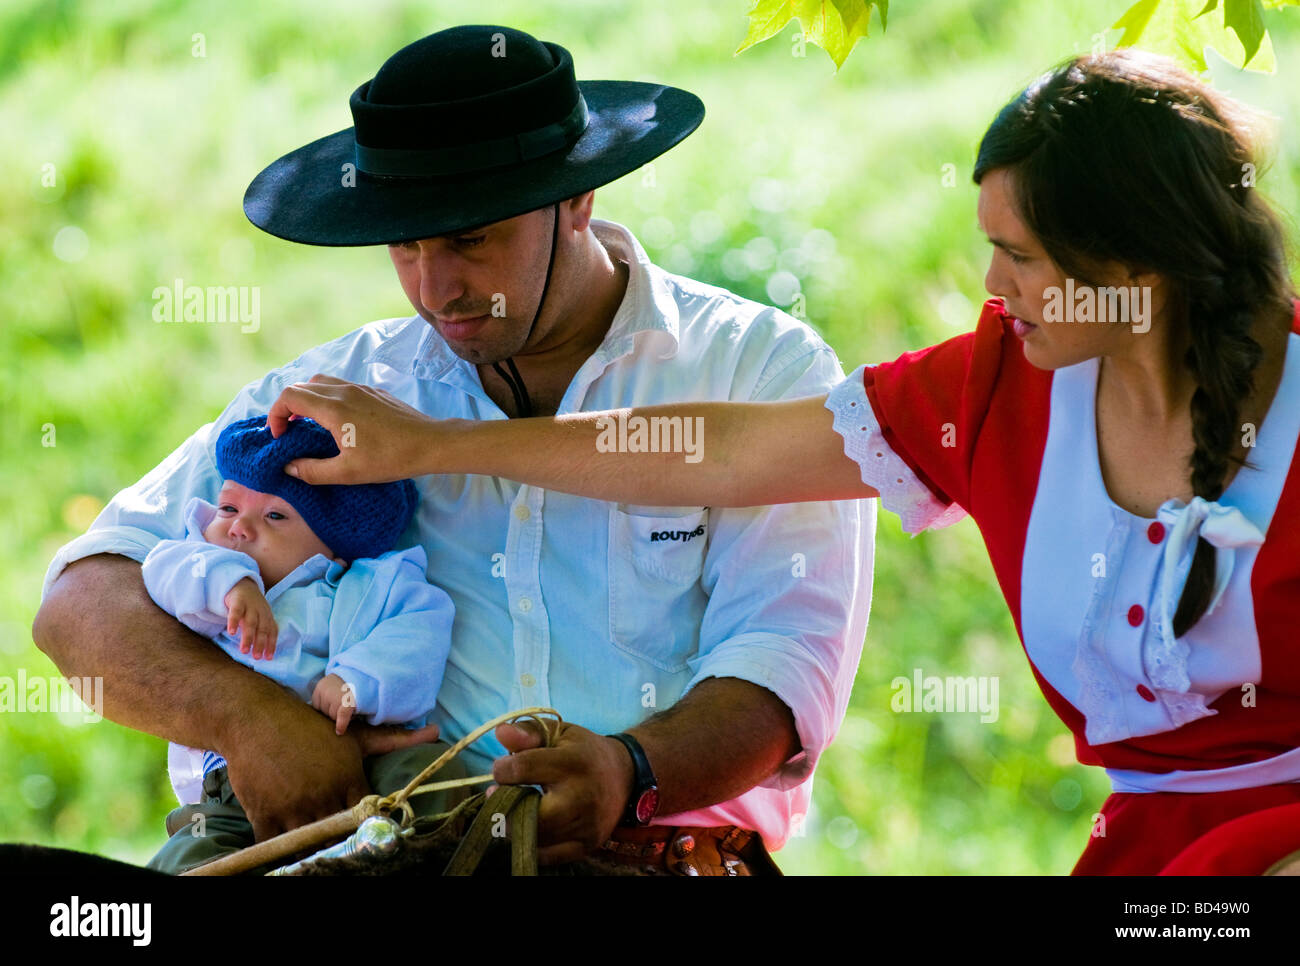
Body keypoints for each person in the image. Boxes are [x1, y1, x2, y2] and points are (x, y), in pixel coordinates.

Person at [268, 48, 1300, 875]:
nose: (991, 285)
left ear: (1133, 264)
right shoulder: (992, 388)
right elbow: (716, 451)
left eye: (1019, 256)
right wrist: (439, 448)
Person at [34, 24, 875, 876]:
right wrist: (250, 719)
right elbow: (81, 602)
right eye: (407, 243)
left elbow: (781, 668)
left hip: (650, 854)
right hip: (367, 851)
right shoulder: (337, 388)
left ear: (576, 200)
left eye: (471, 237)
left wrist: (628, 772)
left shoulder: (759, 370)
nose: (437, 290)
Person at [142, 414, 461, 874]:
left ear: (333, 547)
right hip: (237, 786)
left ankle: (406, 859)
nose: (239, 529)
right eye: (229, 509)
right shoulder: (202, 566)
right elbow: (162, 571)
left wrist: (357, 680)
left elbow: (419, 629)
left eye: (275, 516)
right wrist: (232, 584)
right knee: (192, 856)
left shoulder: (370, 584)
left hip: (367, 759)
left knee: (431, 780)